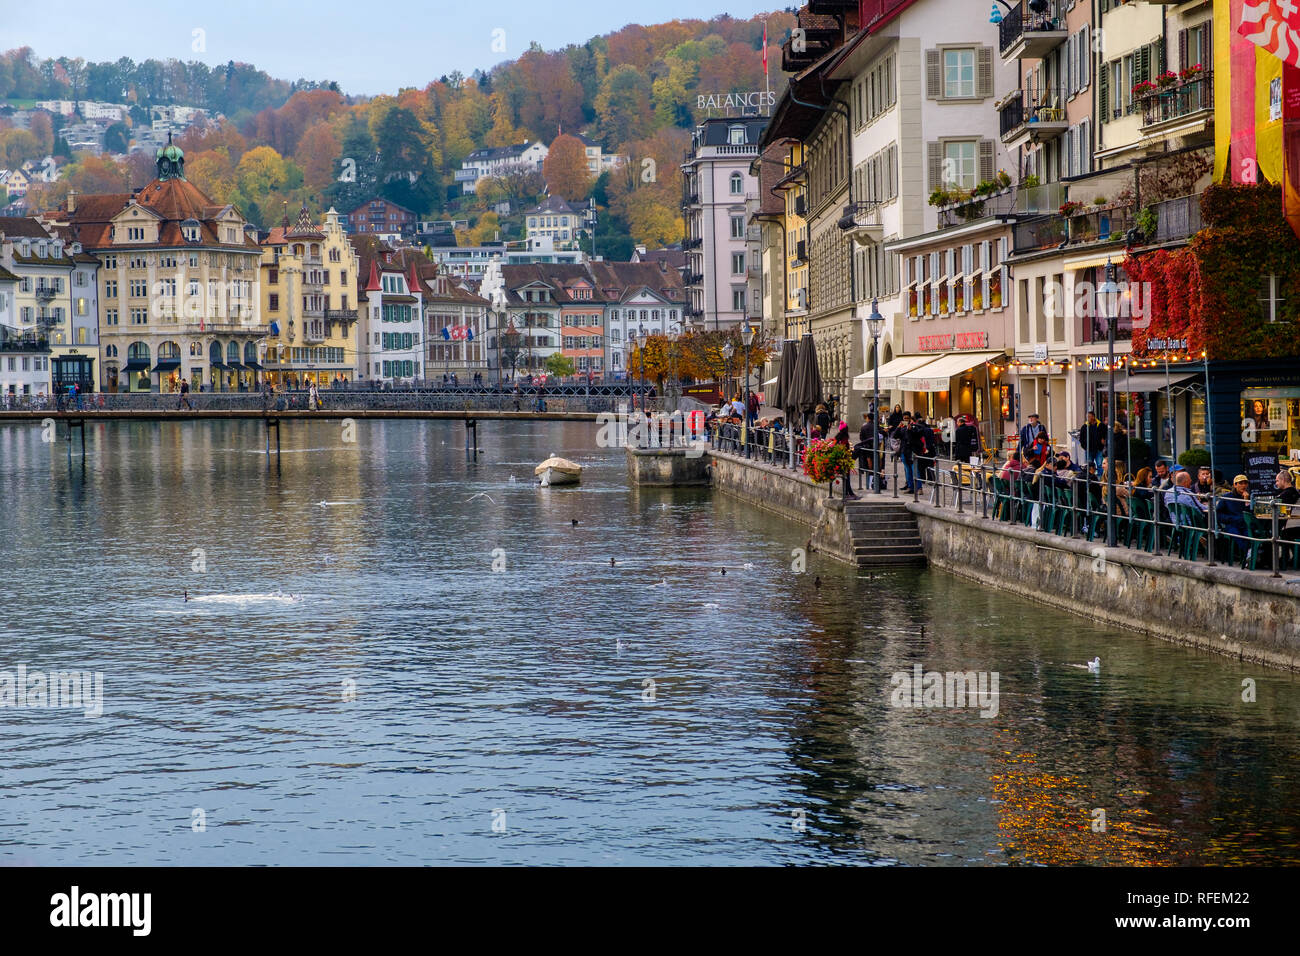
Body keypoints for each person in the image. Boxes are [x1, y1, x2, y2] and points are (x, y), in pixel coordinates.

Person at [1216, 475, 1252, 539]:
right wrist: (1232, 519)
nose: (1243, 485)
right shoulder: (1226, 497)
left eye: (1245, 483)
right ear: (1235, 485)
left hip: (1245, 525)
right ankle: (1247, 549)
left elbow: (1250, 514)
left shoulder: (1250, 496)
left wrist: (1246, 501)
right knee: (1236, 534)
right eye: (1240, 483)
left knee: (1249, 534)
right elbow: (1218, 514)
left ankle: (1249, 548)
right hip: (1231, 524)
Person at [834, 424, 858, 498]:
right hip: (844, 459)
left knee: (846, 477)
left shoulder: (838, 436)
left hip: (840, 459)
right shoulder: (844, 437)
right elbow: (843, 447)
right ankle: (848, 493)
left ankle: (848, 492)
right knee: (846, 477)